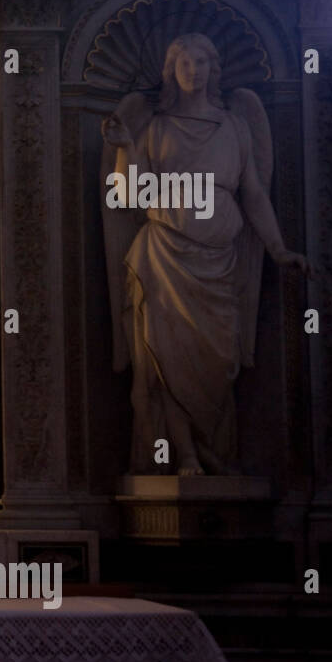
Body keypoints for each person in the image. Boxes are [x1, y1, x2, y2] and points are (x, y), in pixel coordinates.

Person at [101, 33, 311, 475]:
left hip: (221, 261)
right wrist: (125, 145)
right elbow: (129, 195)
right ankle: (187, 456)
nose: (193, 70)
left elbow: (253, 193)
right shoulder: (156, 127)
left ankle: (214, 449)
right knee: (167, 358)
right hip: (164, 255)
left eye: (201, 61)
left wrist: (277, 249)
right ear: (171, 71)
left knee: (219, 361)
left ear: (215, 69)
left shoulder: (235, 125)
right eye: (184, 63)